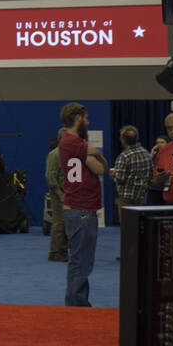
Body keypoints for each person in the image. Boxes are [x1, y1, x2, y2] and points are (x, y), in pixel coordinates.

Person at [58, 103, 105, 307]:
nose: (88, 122)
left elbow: (98, 166)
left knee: (82, 261)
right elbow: (101, 167)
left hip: (81, 209)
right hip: (81, 210)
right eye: (86, 118)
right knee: (80, 262)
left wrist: (95, 156)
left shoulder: (72, 144)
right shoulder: (74, 143)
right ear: (78, 118)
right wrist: (96, 154)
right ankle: (76, 305)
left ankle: (79, 302)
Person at [110, 125, 152, 223]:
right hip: (141, 196)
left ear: (123, 140)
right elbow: (150, 174)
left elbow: (120, 178)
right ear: (137, 138)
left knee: (127, 227)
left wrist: (114, 174)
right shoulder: (146, 153)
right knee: (139, 225)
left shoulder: (124, 156)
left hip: (126, 198)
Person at [45, 133, 67, 262]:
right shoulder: (54, 154)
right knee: (60, 222)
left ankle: (62, 249)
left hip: (66, 192)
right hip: (59, 192)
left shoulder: (67, 152)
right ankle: (55, 252)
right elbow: (50, 176)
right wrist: (60, 193)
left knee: (65, 222)